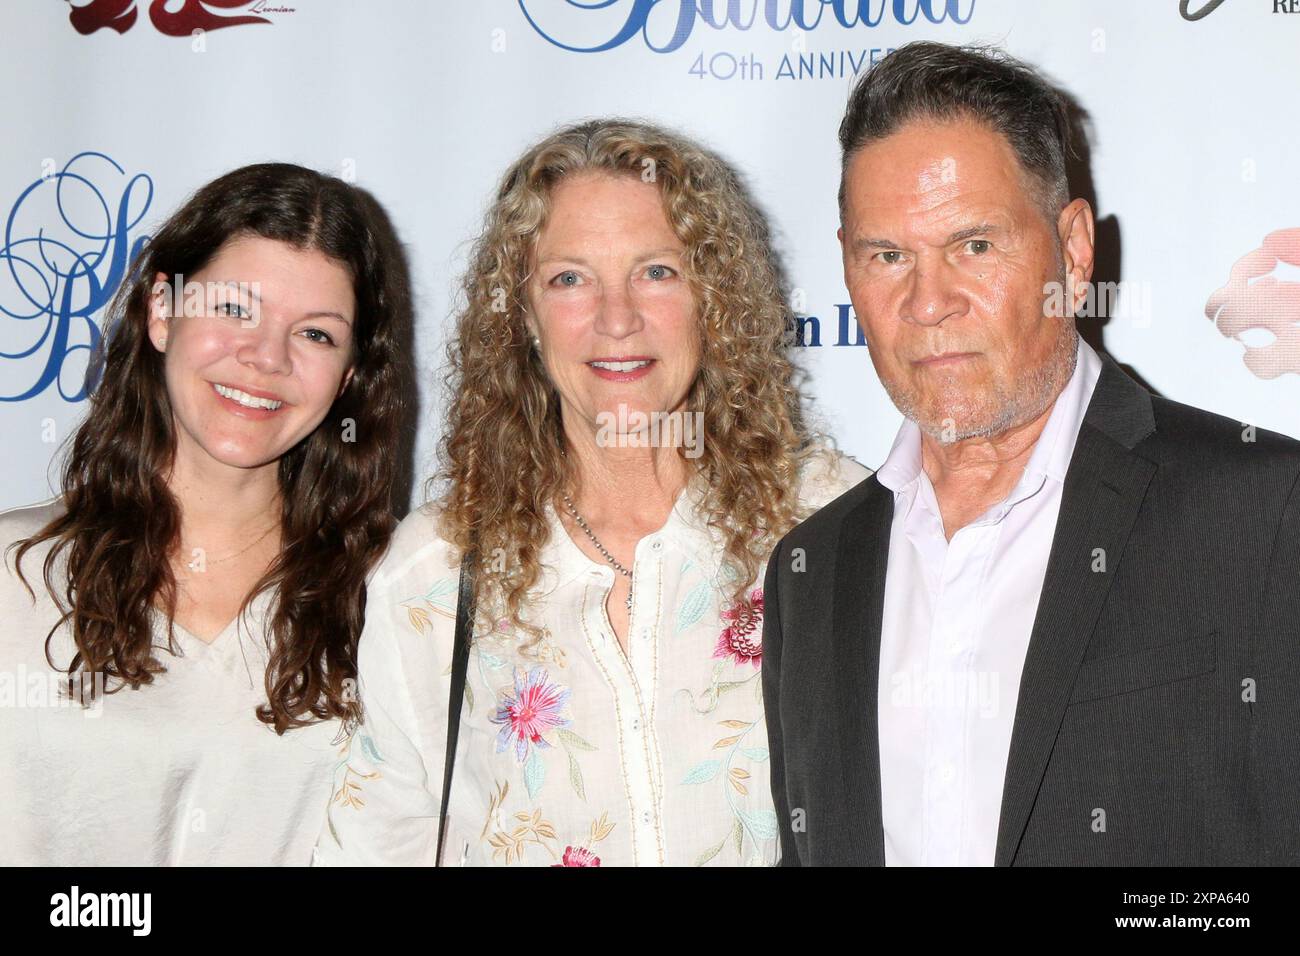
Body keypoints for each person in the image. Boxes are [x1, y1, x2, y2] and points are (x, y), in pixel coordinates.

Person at [762, 41, 1300, 866]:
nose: (928, 303)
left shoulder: (1263, 511)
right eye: (888, 256)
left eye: (974, 245)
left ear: (1074, 251)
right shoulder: (812, 569)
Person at [314, 118, 869, 867]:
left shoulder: (833, 522)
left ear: (715, 300)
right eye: (569, 278)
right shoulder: (435, 574)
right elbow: (375, 845)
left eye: (658, 271)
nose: (617, 318)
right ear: (524, 317)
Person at [0, 162, 413, 865]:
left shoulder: (399, 595)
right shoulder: (15, 576)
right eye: (233, 309)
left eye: (315, 334)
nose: (264, 357)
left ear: (347, 379)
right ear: (162, 310)